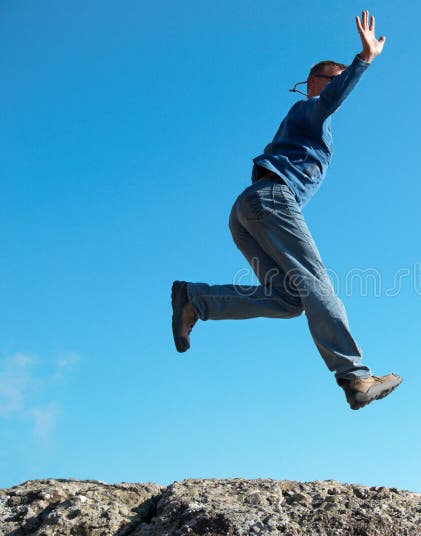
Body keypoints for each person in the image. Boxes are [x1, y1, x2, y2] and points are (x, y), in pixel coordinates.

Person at [170, 10, 402, 410]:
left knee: (288, 300)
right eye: (336, 78)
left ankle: (195, 300)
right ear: (316, 83)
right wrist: (364, 60)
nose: (341, 87)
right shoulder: (309, 109)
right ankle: (356, 376)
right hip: (271, 201)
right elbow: (330, 98)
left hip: (250, 209)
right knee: (316, 284)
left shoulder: (308, 124)